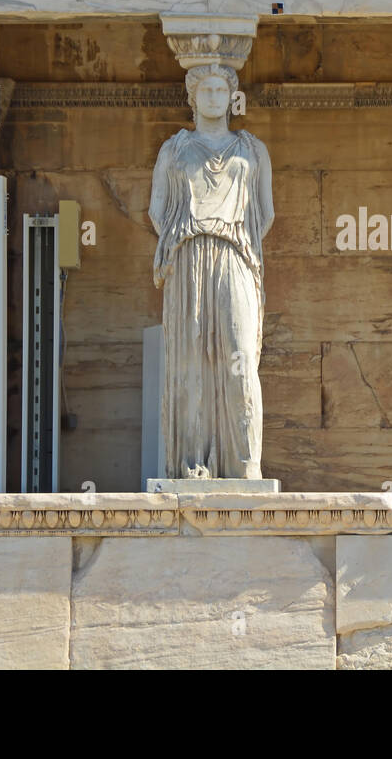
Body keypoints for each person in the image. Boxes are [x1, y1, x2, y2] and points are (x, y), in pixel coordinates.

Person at [149, 63, 273, 479]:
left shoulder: (251, 150)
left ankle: (245, 463)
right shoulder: (174, 149)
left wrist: (226, 235)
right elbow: (157, 209)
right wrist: (193, 236)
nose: (215, 96)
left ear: (232, 95)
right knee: (191, 363)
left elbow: (266, 213)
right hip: (187, 259)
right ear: (193, 96)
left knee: (240, 354)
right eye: (207, 89)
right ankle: (193, 463)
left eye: (222, 88)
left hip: (236, 254)